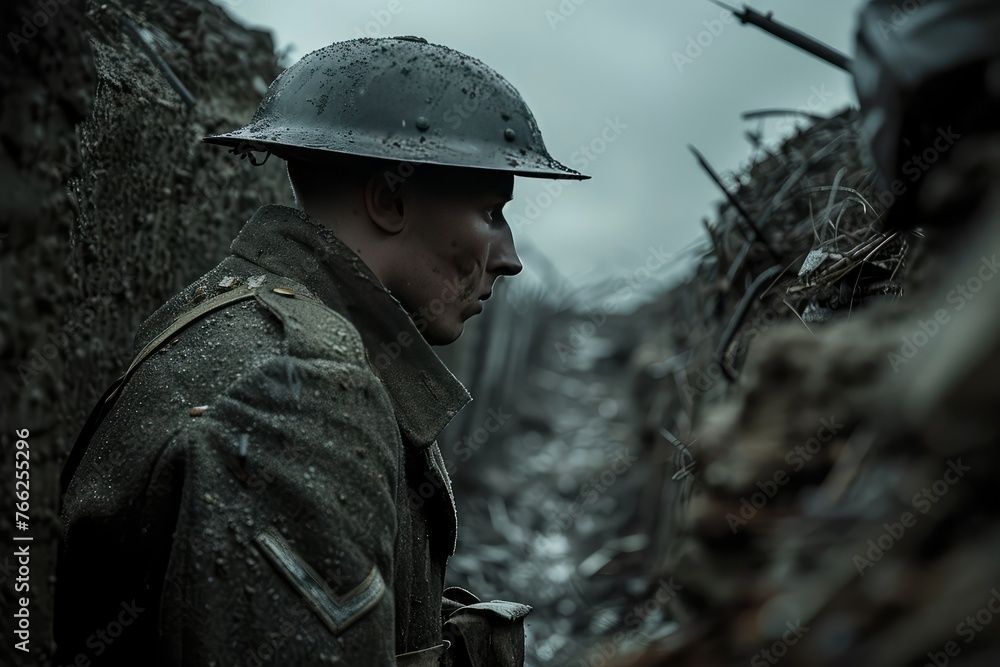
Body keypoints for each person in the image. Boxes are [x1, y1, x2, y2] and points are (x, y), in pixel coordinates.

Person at [55, 35, 587, 666]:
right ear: (390, 199)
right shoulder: (307, 395)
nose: (510, 258)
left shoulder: (218, 312)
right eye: (491, 212)